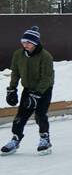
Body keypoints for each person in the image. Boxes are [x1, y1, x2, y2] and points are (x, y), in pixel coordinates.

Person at [2, 25, 55, 156]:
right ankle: (16, 139)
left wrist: (37, 95)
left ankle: (45, 139)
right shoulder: (18, 54)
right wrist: (12, 89)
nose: (25, 44)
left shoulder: (45, 56)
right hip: (28, 88)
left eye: (28, 42)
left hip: (44, 90)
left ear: (35, 43)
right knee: (20, 116)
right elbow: (15, 72)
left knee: (40, 115)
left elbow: (47, 78)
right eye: (23, 42)